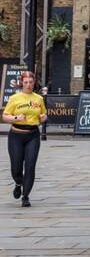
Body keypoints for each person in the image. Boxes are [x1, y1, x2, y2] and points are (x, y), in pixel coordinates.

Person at [3, 71, 47, 208]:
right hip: (16, 135)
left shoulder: (38, 98)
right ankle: (18, 183)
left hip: (33, 135)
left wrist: (43, 117)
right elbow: (5, 116)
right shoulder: (14, 98)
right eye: (26, 82)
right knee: (16, 168)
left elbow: (43, 113)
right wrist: (16, 118)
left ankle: (26, 196)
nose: (28, 85)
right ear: (22, 82)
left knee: (30, 167)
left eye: (31, 82)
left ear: (34, 82)